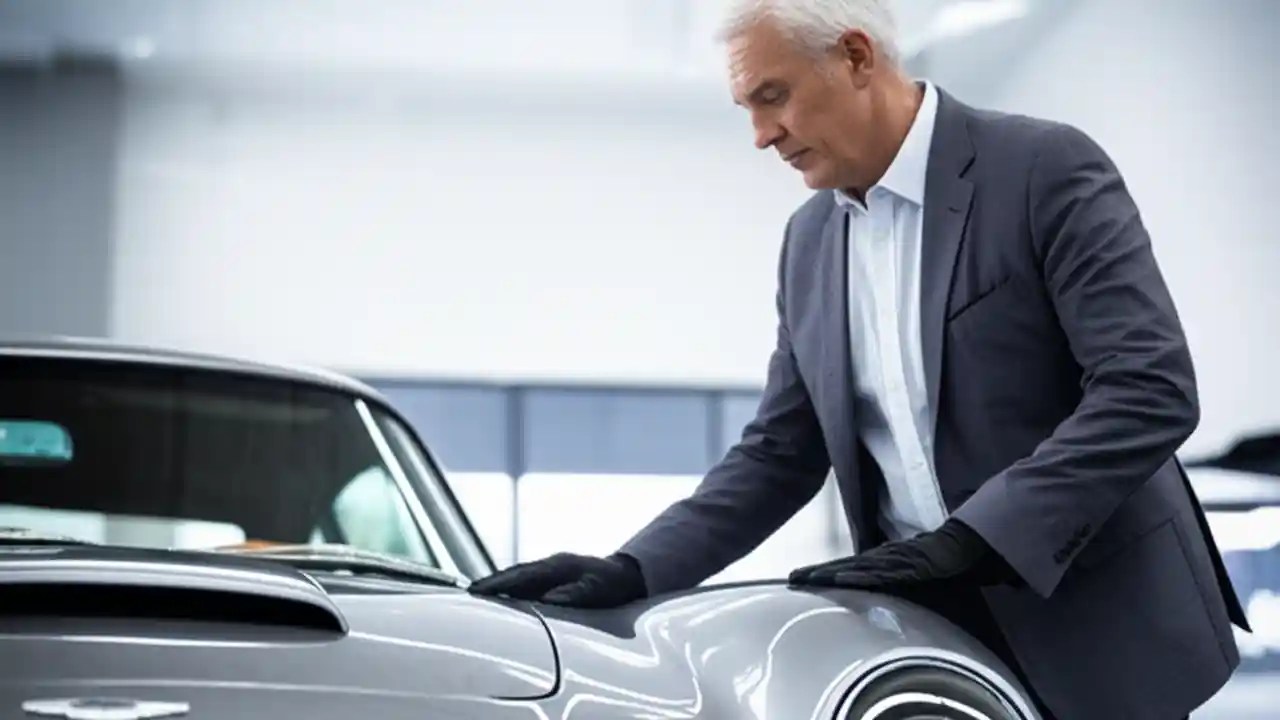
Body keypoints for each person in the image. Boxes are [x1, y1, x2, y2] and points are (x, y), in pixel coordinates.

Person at [469, 1, 1250, 717]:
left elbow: (1149, 390)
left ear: (855, 56)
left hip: (1100, 625)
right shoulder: (807, 243)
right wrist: (633, 570)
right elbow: (779, 452)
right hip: (926, 643)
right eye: (746, 110)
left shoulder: (1044, 168)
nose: (760, 136)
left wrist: (975, 539)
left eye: (772, 96)